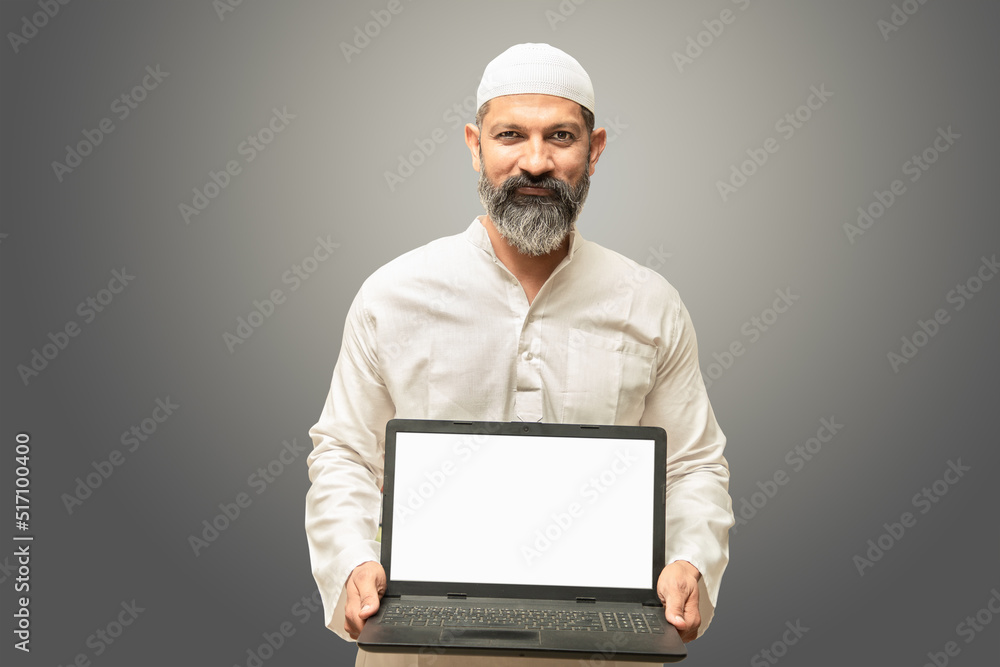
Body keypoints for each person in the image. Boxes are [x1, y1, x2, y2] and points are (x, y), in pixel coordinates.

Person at [305, 43, 734, 666]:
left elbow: (694, 465)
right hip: (421, 649)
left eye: (560, 136)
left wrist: (689, 561)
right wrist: (352, 563)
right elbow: (344, 454)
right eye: (511, 135)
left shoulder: (648, 303)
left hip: (604, 646)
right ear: (476, 145)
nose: (536, 162)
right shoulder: (394, 295)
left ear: (596, 149)